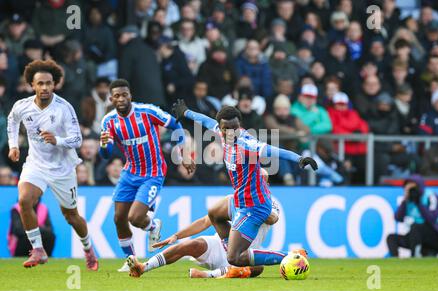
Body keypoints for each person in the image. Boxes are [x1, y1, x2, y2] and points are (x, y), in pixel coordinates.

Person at [172, 99, 317, 270]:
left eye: (234, 128)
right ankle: (229, 246)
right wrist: (186, 112)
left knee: (234, 258)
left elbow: (273, 150)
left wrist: (298, 158)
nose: (231, 133)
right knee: (214, 213)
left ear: (239, 125)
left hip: (255, 205)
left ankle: (290, 256)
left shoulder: (248, 144)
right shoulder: (219, 131)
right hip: (241, 201)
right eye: (226, 128)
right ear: (221, 127)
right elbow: (206, 120)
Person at [126, 169, 305, 278]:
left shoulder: (270, 203)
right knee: (190, 245)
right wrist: (176, 236)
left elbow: (273, 218)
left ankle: (208, 275)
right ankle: (143, 267)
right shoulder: (233, 199)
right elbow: (206, 220)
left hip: (245, 252)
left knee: (256, 268)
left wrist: (256, 206)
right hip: (221, 245)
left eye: (260, 182)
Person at [6, 59, 98, 270]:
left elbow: (77, 140)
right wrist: (14, 146)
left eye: (49, 83)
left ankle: (88, 249)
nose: (45, 87)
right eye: (40, 83)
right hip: (36, 165)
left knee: (72, 217)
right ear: (32, 85)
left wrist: (58, 140)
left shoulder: (64, 108)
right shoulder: (22, 106)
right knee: (24, 200)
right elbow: (12, 121)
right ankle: (38, 250)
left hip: (62, 169)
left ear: (55, 84)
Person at [99, 79, 195, 272]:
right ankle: (131, 260)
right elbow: (106, 154)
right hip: (130, 172)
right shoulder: (108, 121)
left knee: (135, 218)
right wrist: (103, 145)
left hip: (153, 172)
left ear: (130, 95)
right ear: (111, 99)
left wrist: (183, 153)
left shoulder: (148, 111)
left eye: (124, 94)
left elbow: (175, 126)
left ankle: (152, 226)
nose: (121, 99)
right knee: (118, 218)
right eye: (116, 96)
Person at [386, 175, 438, 257]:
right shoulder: (408, 201)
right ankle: (396, 261)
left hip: (436, 236)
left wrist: (419, 202)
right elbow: (398, 218)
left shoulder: (431, 196)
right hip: (416, 236)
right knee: (391, 238)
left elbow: (432, 219)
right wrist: (405, 200)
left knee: (416, 227)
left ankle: (415, 256)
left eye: (414, 188)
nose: (412, 191)